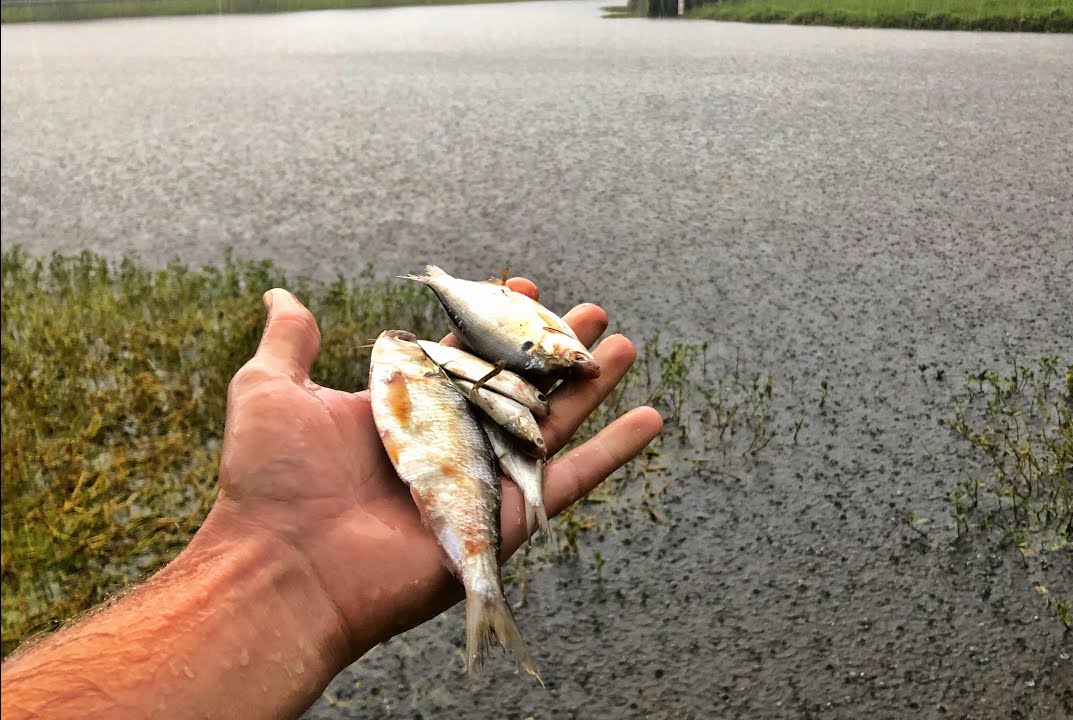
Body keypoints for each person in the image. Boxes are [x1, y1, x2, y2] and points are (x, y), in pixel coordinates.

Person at [0, 281, 663, 720]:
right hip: (444, 463)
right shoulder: (426, 370)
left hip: (447, 462)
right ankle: (484, 596)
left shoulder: (427, 371)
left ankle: (482, 595)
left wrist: (269, 564)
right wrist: (276, 558)